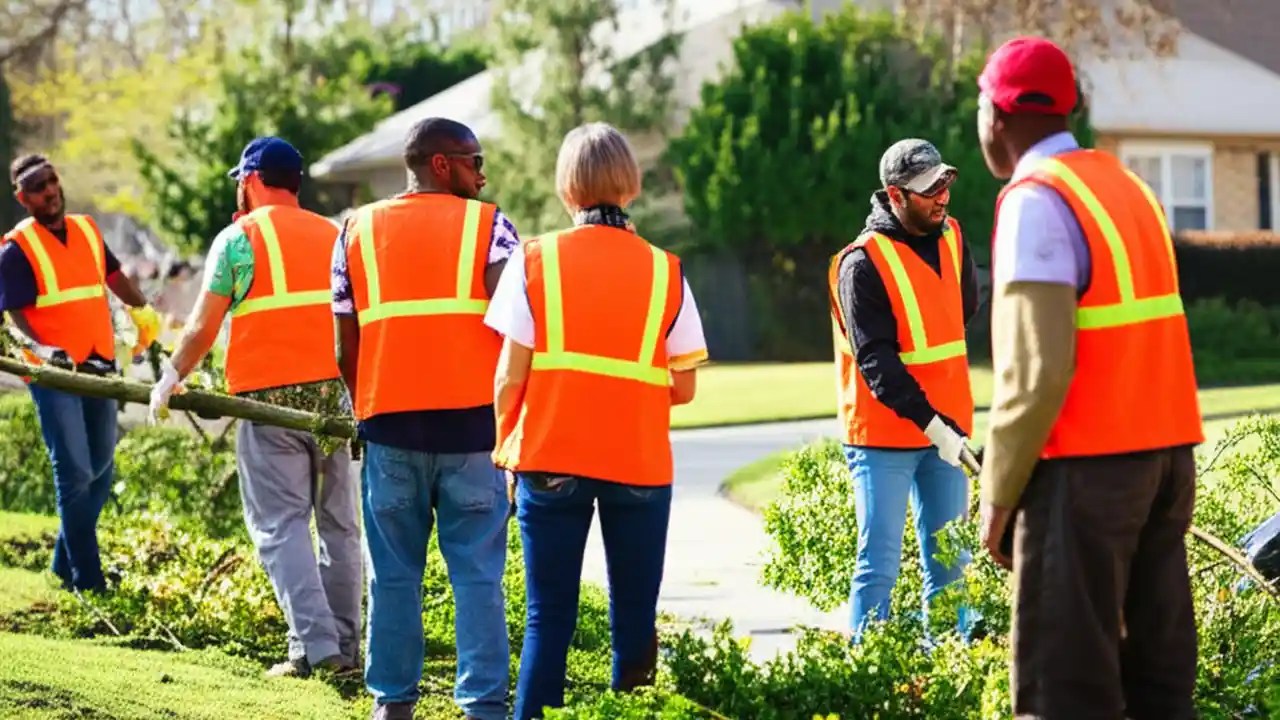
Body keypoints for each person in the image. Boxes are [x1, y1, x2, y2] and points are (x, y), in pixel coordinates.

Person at [974, 36, 1204, 720]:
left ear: (999, 115)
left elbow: (1034, 373)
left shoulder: (1035, 199)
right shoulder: (1125, 185)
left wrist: (998, 494)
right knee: (1158, 680)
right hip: (1166, 463)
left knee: (1064, 688)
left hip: (1085, 473)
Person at [485, 121, 709, 720]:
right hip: (638, 463)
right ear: (630, 187)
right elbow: (683, 384)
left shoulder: (532, 261)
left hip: (550, 459)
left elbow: (509, 376)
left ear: (566, 189)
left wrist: (506, 445)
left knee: (547, 617)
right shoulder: (667, 271)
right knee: (634, 618)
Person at [148, 137, 362, 679]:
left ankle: (321, 650)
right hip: (334, 400)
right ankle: (337, 646)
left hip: (269, 404)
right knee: (339, 525)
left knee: (281, 525)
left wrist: (171, 375)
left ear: (250, 180)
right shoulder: (335, 235)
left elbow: (202, 325)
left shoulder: (237, 240)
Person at [333, 117, 518, 720]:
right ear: (442, 164)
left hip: (389, 430)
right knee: (477, 577)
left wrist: (369, 409)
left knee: (392, 578)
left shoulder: (354, 231)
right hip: (472, 434)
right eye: (474, 160)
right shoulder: (492, 228)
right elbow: (520, 327)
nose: (481, 173)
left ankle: (392, 705)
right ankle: (483, 706)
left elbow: (344, 345)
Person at [826, 138, 978, 643]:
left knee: (951, 566)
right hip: (883, 438)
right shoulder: (861, 264)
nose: (941, 197)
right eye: (928, 190)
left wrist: (947, 431)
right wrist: (935, 427)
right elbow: (877, 366)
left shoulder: (954, 237)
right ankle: (868, 678)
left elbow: (963, 310)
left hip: (948, 435)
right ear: (895, 194)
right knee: (879, 565)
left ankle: (948, 676)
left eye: (944, 185)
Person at [0, 153, 160, 593]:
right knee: (73, 473)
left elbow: (114, 277)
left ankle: (60, 565)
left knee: (101, 472)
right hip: (54, 377)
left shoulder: (88, 229)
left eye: (52, 181)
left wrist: (145, 312)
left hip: (100, 365)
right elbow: (14, 316)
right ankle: (88, 582)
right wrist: (41, 350)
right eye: (38, 187)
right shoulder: (17, 249)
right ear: (23, 197)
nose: (50, 191)